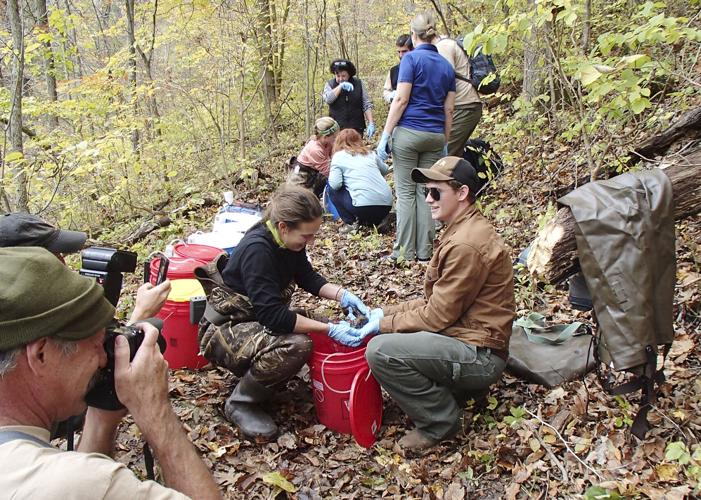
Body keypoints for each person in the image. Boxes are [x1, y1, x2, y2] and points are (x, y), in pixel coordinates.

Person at [0, 247, 221, 499]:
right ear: (40, 354)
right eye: (96, 346)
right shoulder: (76, 483)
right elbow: (78, 483)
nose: (104, 359)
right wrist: (156, 413)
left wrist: (101, 416)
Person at [354, 156, 515, 453]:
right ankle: (455, 390)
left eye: (436, 192)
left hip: (480, 354)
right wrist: (382, 313)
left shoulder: (466, 243)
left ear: (462, 193)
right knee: (392, 333)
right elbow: (435, 302)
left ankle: (441, 423)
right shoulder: (461, 230)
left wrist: (381, 326)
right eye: (426, 192)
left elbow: (436, 315)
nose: (428, 199)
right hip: (468, 337)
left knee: (381, 350)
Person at [195, 185, 370, 441]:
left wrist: (341, 294)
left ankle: (270, 377)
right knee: (297, 344)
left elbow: (306, 276)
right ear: (284, 227)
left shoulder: (288, 243)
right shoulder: (259, 250)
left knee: (320, 321)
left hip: (254, 319)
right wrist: (329, 330)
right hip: (225, 330)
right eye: (306, 236)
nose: (310, 242)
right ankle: (241, 402)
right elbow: (274, 318)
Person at [376, 11, 455, 263]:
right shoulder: (446, 66)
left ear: (413, 35)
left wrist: (385, 135)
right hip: (434, 135)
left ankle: (404, 253)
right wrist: (445, 140)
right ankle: (425, 252)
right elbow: (450, 108)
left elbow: (400, 99)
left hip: (409, 133)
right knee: (426, 192)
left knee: (407, 193)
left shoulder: (410, 61)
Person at [0, 212, 171, 324]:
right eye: (54, 257)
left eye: (62, 255)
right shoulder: (31, 325)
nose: (64, 264)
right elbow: (101, 370)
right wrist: (142, 314)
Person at [328, 129, 393, 232]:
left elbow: (335, 185)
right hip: (386, 204)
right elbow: (385, 170)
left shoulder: (338, 156)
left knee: (331, 189)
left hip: (362, 206)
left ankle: (351, 223)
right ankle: (378, 222)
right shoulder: (370, 153)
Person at [435, 36, 483, 156]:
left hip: (464, 106)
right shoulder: (447, 44)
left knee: (444, 158)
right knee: (453, 157)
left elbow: (445, 79)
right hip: (466, 105)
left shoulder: (443, 46)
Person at [287, 117, 340, 198]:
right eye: (334, 137)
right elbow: (328, 172)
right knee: (301, 201)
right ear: (325, 137)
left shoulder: (328, 143)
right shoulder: (315, 149)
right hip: (301, 178)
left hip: (313, 174)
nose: (336, 139)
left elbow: (334, 158)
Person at [322, 59, 376, 138]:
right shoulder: (330, 84)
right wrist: (340, 87)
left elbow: (366, 104)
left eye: (343, 76)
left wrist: (371, 122)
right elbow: (328, 100)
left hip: (356, 127)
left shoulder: (359, 84)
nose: (340, 79)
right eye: (338, 76)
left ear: (349, 74)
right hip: (337, 129)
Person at [383, 34, 413, 104]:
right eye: (399, 52)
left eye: (404, 51)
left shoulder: (420, 68)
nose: (401, 55)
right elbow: (386, 91)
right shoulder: (393, 71)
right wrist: (393, 96)